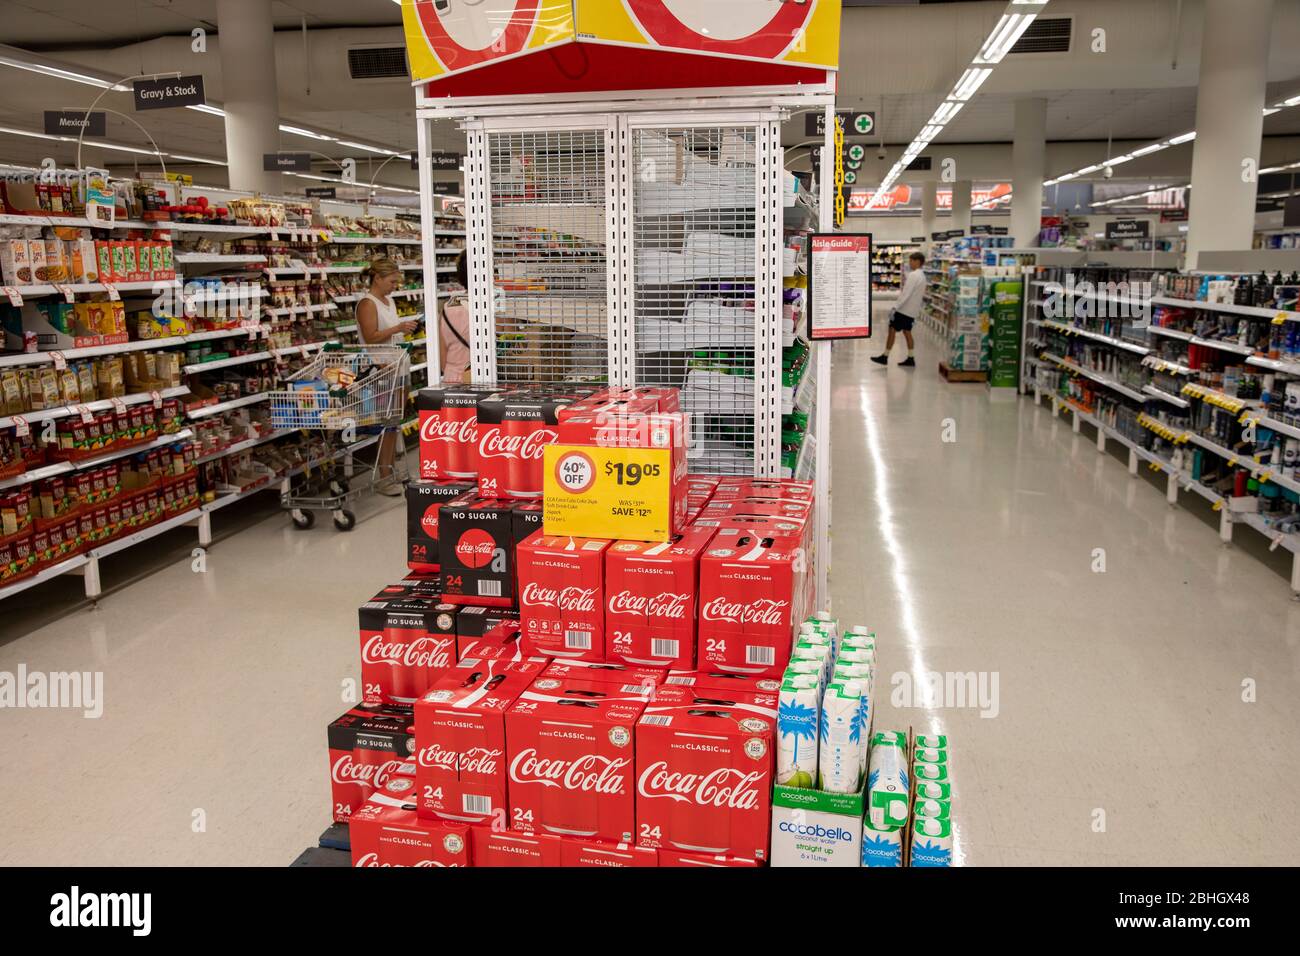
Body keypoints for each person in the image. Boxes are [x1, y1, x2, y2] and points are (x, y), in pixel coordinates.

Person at [356, 257, 420, 495]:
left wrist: (403, 328)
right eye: (392, 281)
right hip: (381, 372)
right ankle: (384, 476)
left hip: (399, 368)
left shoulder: (389, 301)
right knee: (386, 424)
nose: (395, 285)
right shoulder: (367, 303)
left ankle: (390, 470)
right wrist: (398, 328)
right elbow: (371, 336)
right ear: (378, 278)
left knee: (394, 423)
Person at [871, 251, 927, 368]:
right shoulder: (922, 276)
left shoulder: (913, 275)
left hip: (904, 310)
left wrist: (895, 307)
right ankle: (911, 358)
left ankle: (885, 357)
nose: (910, 263)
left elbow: (906, 293)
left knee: (892, 329)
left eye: (911, 261)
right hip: (912, 310)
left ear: (917, 261)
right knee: (907, 332)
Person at [440, 250, 471, 384]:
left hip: (451, 379)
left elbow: (441, 355)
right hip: (481, 381)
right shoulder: (493, 307)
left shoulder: (447, 308)